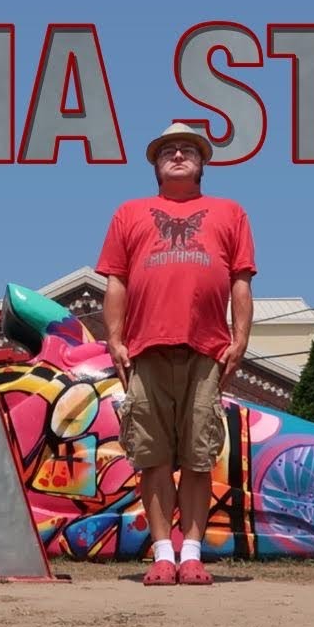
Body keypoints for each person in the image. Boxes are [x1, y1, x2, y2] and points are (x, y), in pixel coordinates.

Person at [95, 122, 256, 586]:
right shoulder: (130, 212)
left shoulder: (230, 212)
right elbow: (116, 279)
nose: (179, 154)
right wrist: (115, 338)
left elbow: (240, 279)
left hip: (207, 349)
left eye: (188, 149)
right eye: (168, 149)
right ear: (156, 165)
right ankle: (162, 553)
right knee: (153, 456)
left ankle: (192, 554)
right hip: (145, 349)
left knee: (199, 455)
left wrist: (239, 338)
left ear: (203, 163)